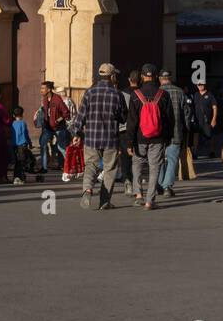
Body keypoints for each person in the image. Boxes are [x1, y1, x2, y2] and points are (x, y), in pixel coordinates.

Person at [72, 62, 124, 210]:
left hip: (91, 138)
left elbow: (81, 116)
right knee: (109, 169)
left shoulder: (89, 92)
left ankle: (87, 189)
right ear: (112, 76)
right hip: (110, 139)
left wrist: (77, 133)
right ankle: (104, 201)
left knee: (91, 165)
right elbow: (122, 117)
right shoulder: (117, 94)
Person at [126, 63, 174, 210]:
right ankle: (150, 201)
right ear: (155, 77)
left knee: (137, 165)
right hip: (158, 138)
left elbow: (132, 122)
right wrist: (167, 138)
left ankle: (138, 194)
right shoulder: (163, 95)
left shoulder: (136, 95)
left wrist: (129, 142)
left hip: (140, 138)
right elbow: (169, 120)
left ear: (142, 76)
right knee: (155, 169)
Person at [157, 69, 187, 200]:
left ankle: (159, 183)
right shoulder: (179, 92)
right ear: (170, 77)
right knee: (172, 159)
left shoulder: (155, 92)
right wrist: (186, 128)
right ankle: (167, 186)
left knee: (158, 159)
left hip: (157, 132)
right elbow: (186, 113)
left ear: (160, 79)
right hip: (175, 132)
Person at [191, 80, 218, 157]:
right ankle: (194, 153)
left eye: (201, 84)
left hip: (207, 120)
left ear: (205, 85)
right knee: (196, 136)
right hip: (197, 119)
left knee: (210, 136)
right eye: (198, 85)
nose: (200, 86)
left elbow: (215, 107)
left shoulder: (210, 95)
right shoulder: (195, 95)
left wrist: (214, 119)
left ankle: (211, 152)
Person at [10, 107, 32, 184]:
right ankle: (21, 178)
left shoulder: (12, 124)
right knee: (22, 162)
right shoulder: (23, 123)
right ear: (22, 115)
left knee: (16, 162)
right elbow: (26, 134)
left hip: (14, 145)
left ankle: (15, 177)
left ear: (13, 115)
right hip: (22, 145)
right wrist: (30, 143)